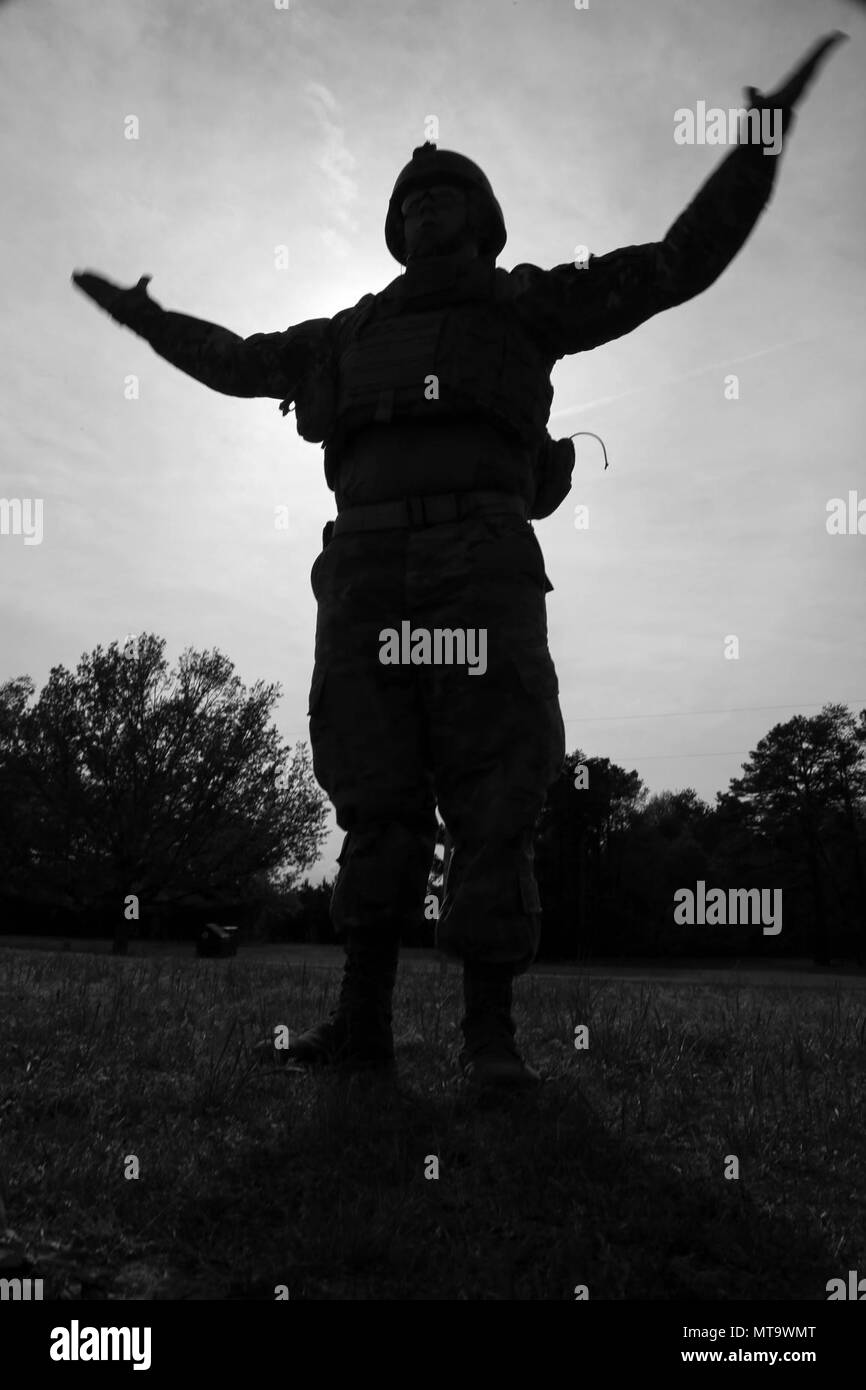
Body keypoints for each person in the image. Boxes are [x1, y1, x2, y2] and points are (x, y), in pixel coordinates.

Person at [72, 33, 845, 1091]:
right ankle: (362, 1027)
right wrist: (147, 319)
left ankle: (489, 1037)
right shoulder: (343, 334)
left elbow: (676, 266)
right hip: (362, 571)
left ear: (484, 223)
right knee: (373, 797)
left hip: (478, 558)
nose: (426, 205)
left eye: (448, 193)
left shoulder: (528, 305)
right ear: (391, 232)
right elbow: (242, 362)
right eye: (411, 198)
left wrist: (754, 141)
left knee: (493, 791)